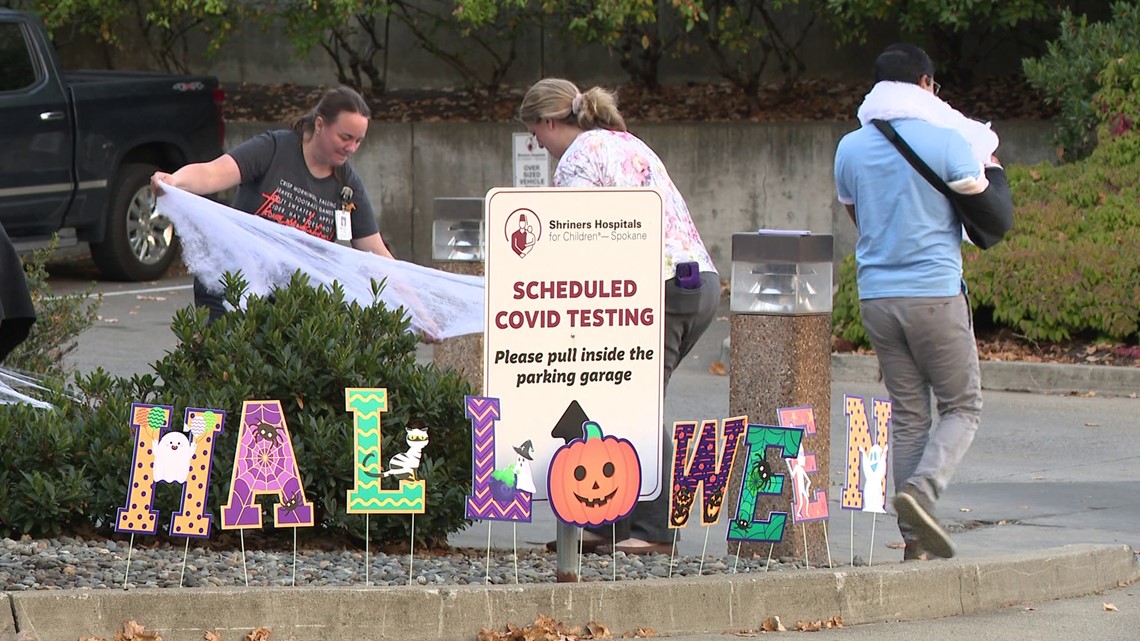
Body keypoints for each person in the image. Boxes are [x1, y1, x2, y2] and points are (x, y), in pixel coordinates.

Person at [519, 78, 720, 556]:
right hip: (699, 282)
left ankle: (652, 530)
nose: (539, 146)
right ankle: (610, 521)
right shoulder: (627, 142)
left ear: (549, 122)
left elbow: (575, 235)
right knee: (612, 397)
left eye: (536, 134)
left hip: (654, 286)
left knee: (633, 402)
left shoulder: (577, 158)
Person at [833, 44, 1012, 561]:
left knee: (910, 414)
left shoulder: (849, 149)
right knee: (962, 406)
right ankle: (922, 492)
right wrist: (993, 166)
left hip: (877, 300)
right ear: (927, 85)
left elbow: (859, 218)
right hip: (934, 294)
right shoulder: (948, 141)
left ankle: (916, 545)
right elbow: (992, 215)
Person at [151, 86, 393, 321]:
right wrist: (174, 181)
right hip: (233, 285)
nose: (351, 148)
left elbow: (376, 252)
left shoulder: (347, 185)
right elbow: (214, 172)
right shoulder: (274, 149)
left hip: (290, 304)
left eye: (359, 141)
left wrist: (419, 309)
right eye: (345, 137)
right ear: (320, 124)